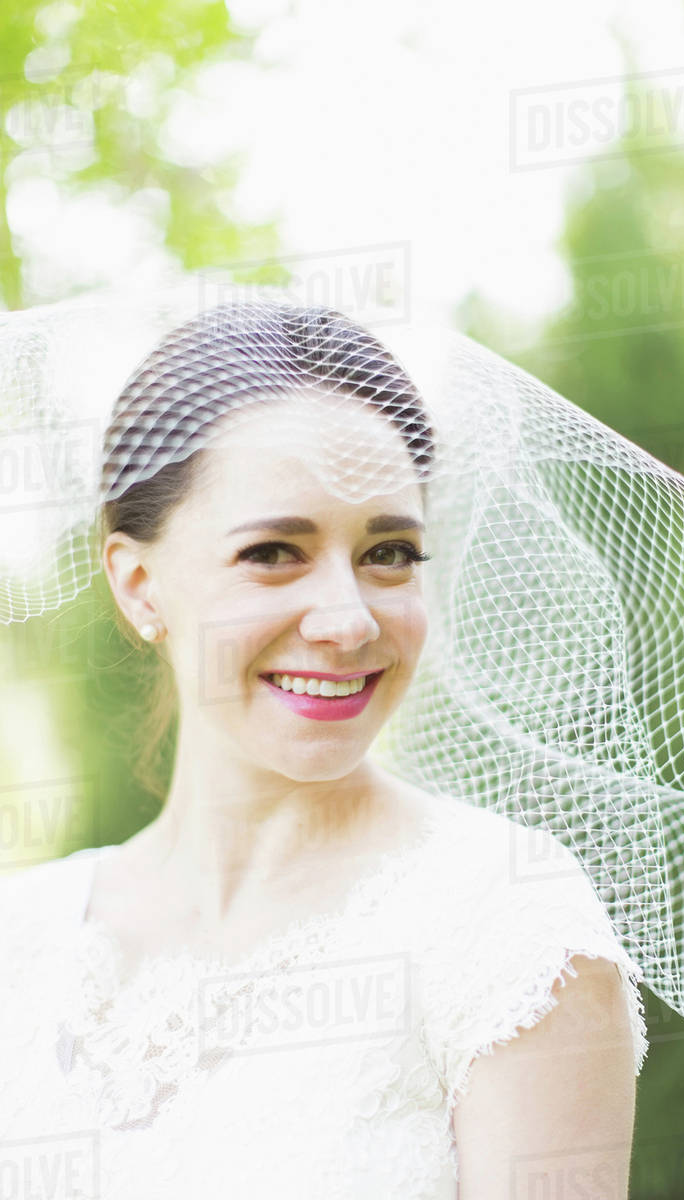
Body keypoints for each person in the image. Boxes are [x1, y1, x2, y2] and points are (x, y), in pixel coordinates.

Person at [0, 298, 647, 1198]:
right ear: (140, 584)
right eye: (273, 551)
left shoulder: (508, 928)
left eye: (389, 552)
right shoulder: (20, 940)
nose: (348, 620)